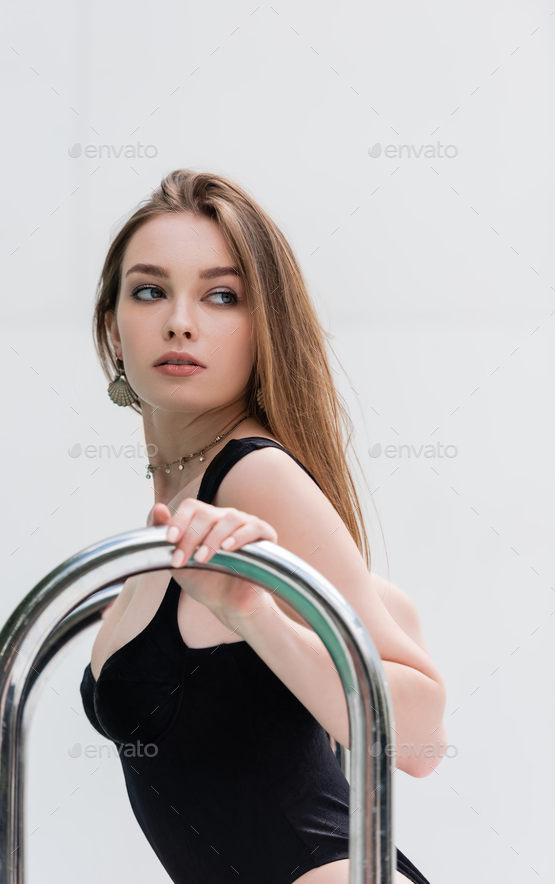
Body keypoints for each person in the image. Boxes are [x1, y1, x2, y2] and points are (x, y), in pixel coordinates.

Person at [80, 169, 448, 884]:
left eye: (222, 296)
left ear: (262, 330)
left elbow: (422, 741)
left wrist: (261, 619)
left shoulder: (254, 474)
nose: (181, 320)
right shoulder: (190, 497)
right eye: (150, 290)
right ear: (112, 332)